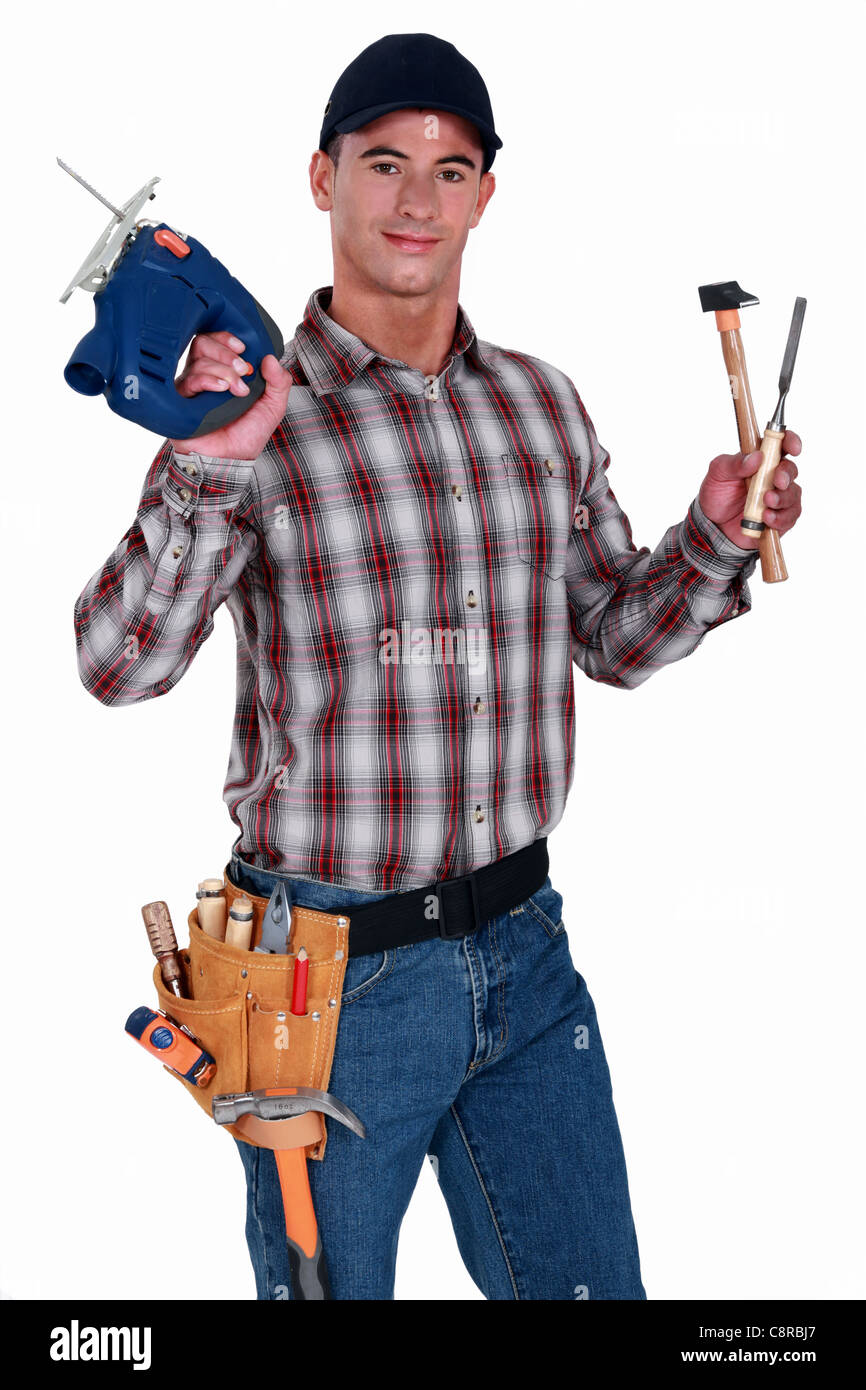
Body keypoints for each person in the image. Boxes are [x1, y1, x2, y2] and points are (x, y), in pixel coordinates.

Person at [74, 33, 802, 1300]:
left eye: (450, 169)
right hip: (324, 989)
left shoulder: (541, 407)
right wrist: (216, 456)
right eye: (384, 163)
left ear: (484, 195)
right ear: (322, 178)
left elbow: (612, 638)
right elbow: (116, 668)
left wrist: (714, 534)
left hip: (525, 957)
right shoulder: (244, 410)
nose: (416, 200)